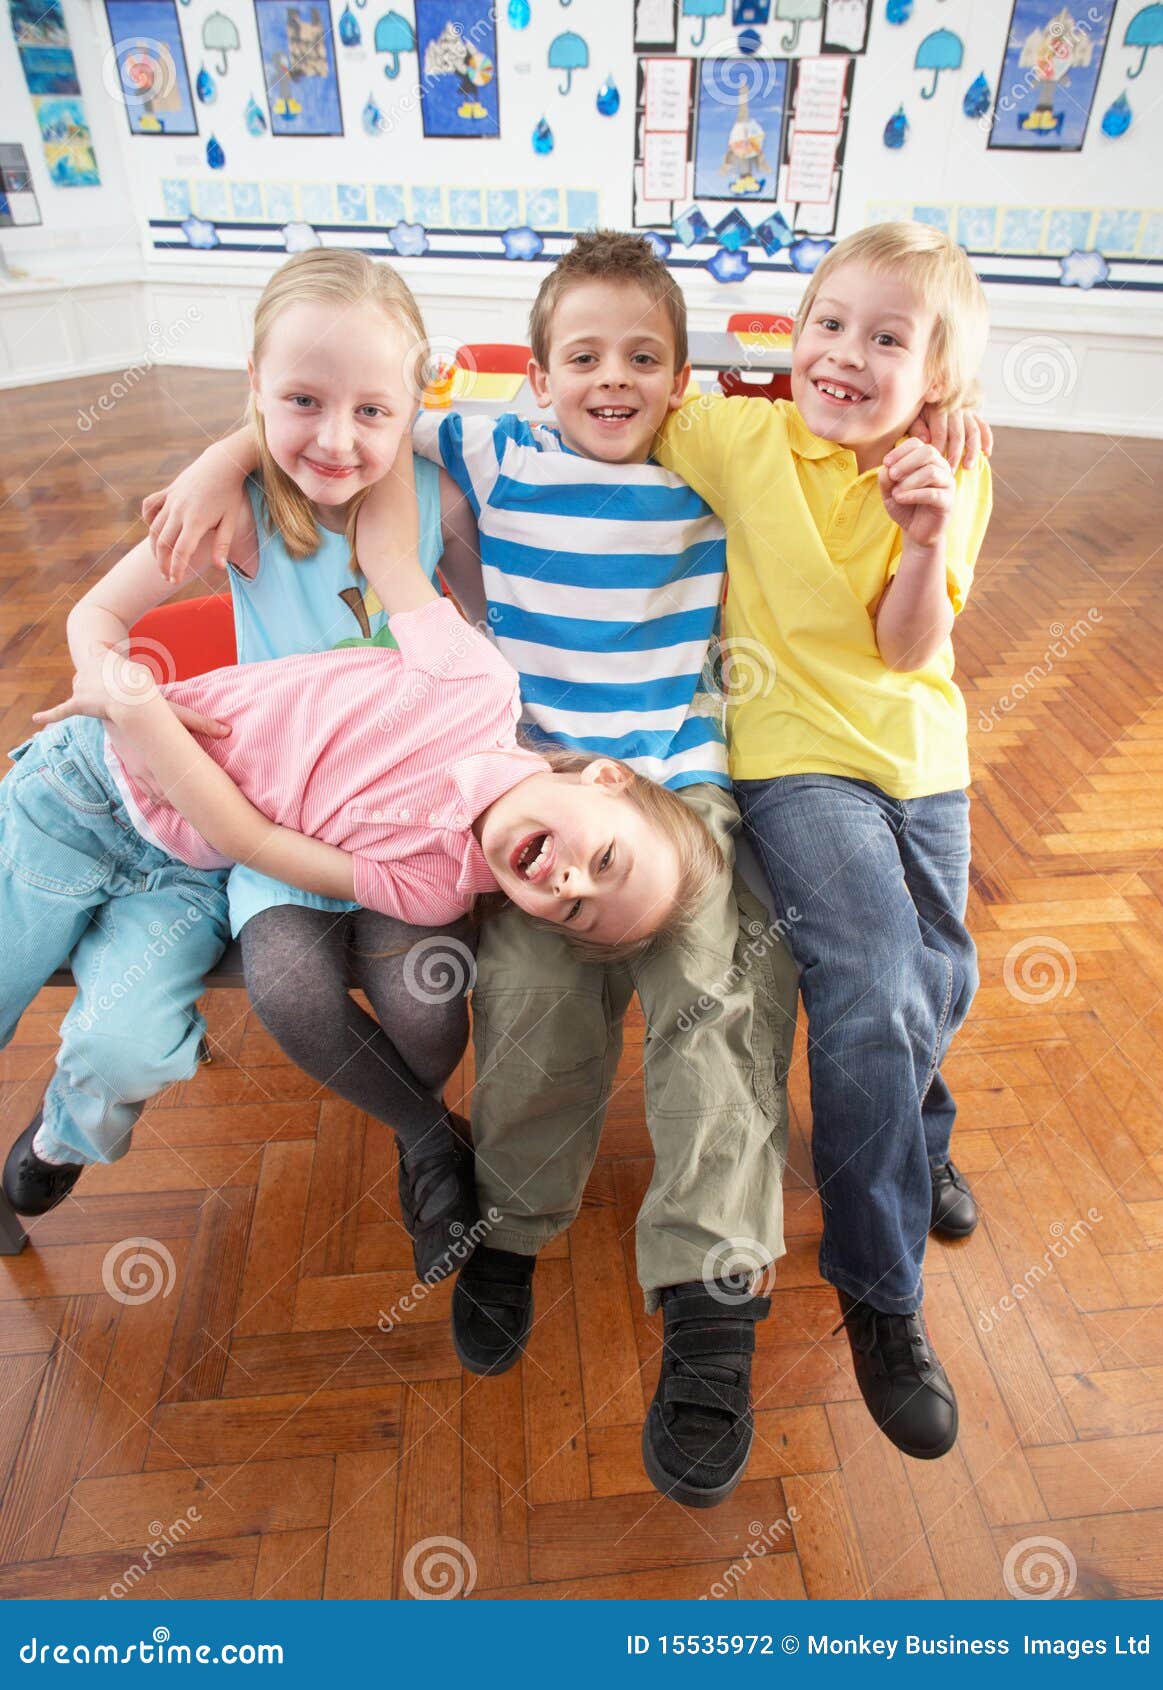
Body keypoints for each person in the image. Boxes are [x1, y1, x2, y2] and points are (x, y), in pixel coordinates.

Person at [135, 231, 796, 1511]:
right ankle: (512, 1222)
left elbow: (842, 444)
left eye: (645, 359)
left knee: (717, 999)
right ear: (533, 378)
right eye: (584, 357)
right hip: (530, 788)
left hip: (680, 784)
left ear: (683, 380)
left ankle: (713, 1301)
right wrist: (225, 447)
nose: (614, 381)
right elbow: (348, 427)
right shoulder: (494, 445)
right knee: (538, 996)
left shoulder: (718, 456)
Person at [1, 460, 721, 1290]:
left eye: (575, 912)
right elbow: (386, 548)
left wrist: (145, 720)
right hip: (87, 782)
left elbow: (259, 843)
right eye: (603, 860)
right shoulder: (478, 684)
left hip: (188, 859)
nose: (569, 884)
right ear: (603, 777)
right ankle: (425, 1137)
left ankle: (406, 1136)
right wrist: (276, 436)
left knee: (136, 1041)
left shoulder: (438, 886)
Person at [655, 220, 994, 1460]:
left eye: (888, 338)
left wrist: (924, 532)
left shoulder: (953, 471)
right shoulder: (742, 437)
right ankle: (879, 1286)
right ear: (793, 340)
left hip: (925, 760)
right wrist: (233, 452)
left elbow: (910, 648)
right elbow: (606, 391)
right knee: (875, 987)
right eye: (829, 325)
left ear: (939, 379)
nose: (846, 354)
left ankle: (920, 1133)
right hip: (797, 756)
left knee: (940, 980)